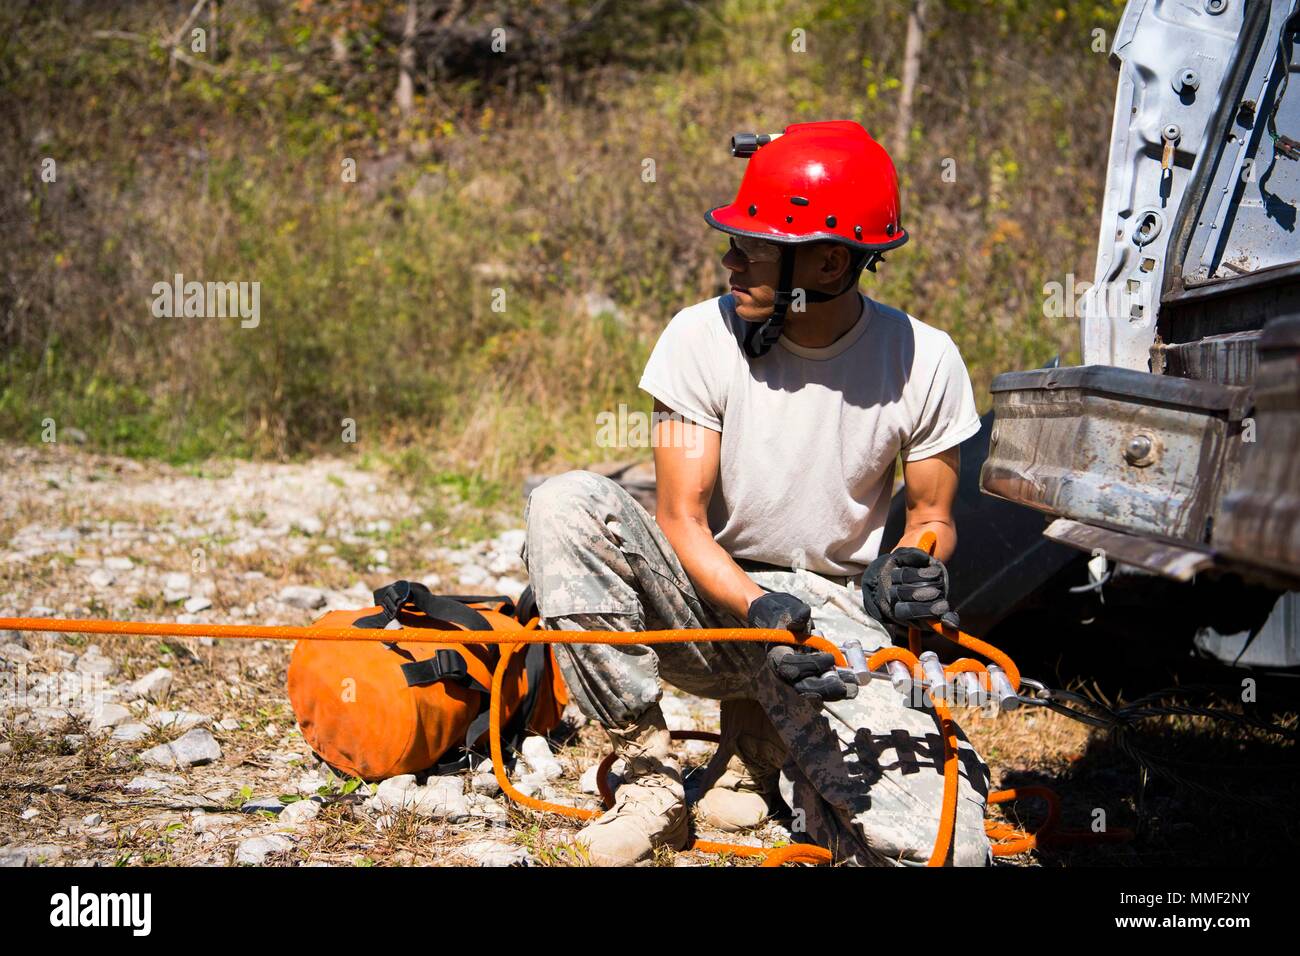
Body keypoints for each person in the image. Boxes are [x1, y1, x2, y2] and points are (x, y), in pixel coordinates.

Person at [522, 120, 991, 866]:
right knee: (564, 503)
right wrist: (758, 607)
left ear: (831, 262)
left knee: (951, 853)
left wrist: (915, 563)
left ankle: (767, 752)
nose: (728, 261)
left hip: (833, 623)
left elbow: (931, 517)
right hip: (714, 606)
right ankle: (652, 783)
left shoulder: (924, 359)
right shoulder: (695, 338)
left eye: (753, 249)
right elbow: (679, 518)